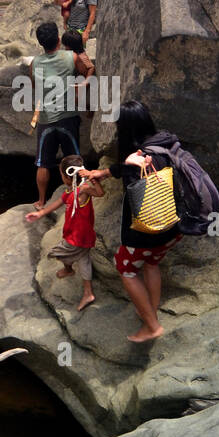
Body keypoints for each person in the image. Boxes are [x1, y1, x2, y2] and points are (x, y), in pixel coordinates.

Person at [81, 100, 181, 343]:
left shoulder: (136, 158)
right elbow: (122, 169)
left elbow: (130, 168)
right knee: (151, 264)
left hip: (148, 229)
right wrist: (103, 173)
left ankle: (152, 326)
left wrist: (116, 169)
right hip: (172, 226)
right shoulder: (163, 143)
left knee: (125, 267)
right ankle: (150, 310)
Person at [24, 155, 105, 311]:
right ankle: (88, 293)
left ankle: (68, 269)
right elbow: (58, 202)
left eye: (61, 174)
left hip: (77, 237)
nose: (60, 177)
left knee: (57, 253)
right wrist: (40, 214)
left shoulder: (84, 189)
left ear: (67, 176)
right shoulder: (70, 190)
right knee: (83, 259)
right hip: (79, 236)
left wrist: (94, 180)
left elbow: (100, 193)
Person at [29, 22, 81, 209]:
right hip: (68, 117)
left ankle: (41, 201)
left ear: (41, 43)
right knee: (74, 159)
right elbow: (85, 71)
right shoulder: (71, 57)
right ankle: (78, 195)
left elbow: (35, 86)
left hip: (45, 120)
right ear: (59, 39)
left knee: (43, 163)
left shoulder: (34, 63)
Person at [61, 28, 94, 115]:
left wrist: (85, 82)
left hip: (82, 80)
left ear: (71, 46)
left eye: (66, 45)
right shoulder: (76, 52)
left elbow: (91, 67)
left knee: (76, 102)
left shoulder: (81, 56)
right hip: (78, 77)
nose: (65, 47)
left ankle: (90, 108)